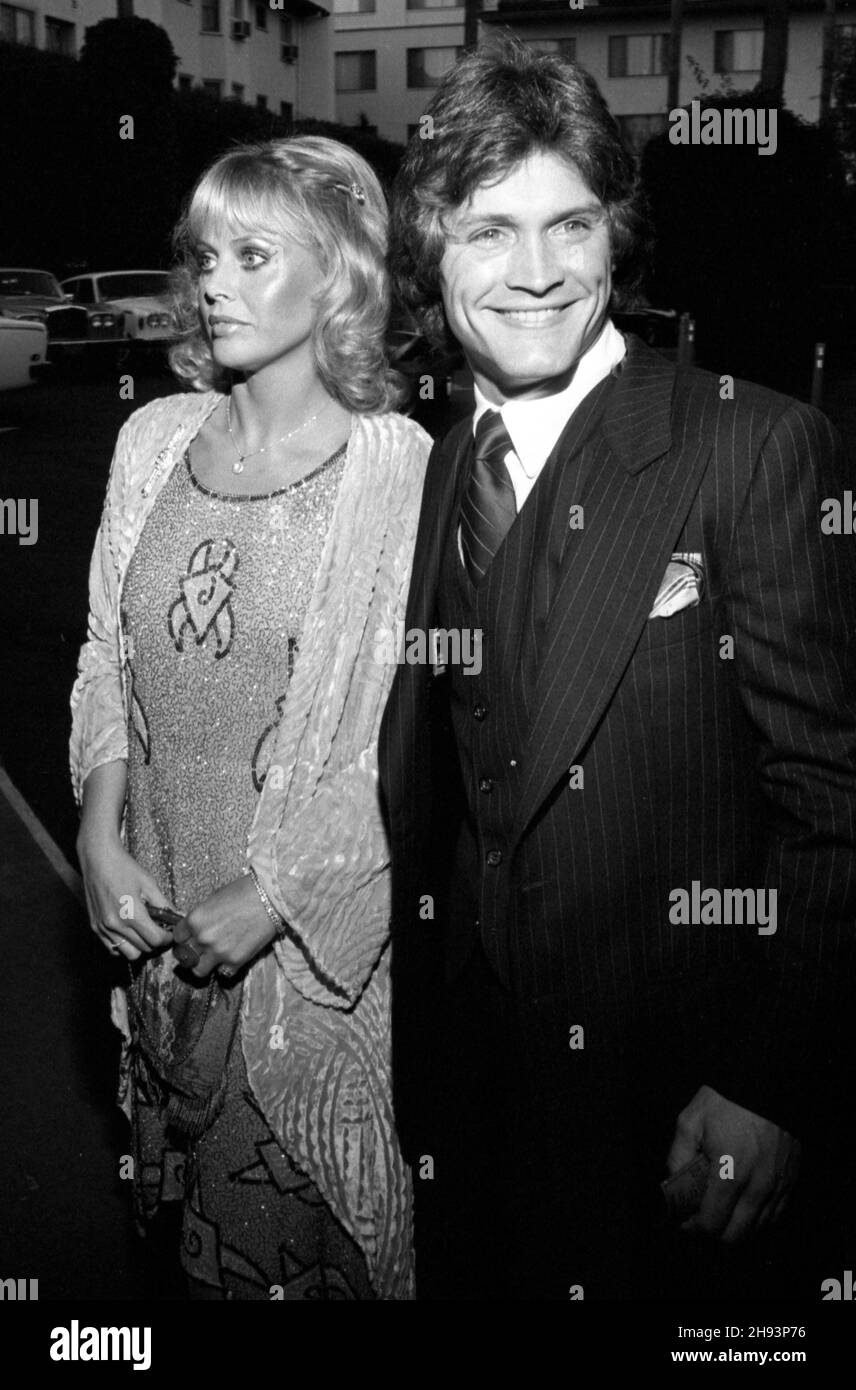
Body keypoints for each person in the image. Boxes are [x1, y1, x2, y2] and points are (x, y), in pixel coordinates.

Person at [379, 39, 856, 1300]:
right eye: (489, 231)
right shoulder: (433, 466)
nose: (535, 273)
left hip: (675, 1113)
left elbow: (832, 801)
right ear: (433, 250)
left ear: (615, 233)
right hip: (469, 1102)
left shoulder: (752, 447)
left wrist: (770, 1080)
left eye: (569, 223)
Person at [70, 135, 431, 1300]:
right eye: (206, 253)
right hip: (154, 943)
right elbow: (102, 658)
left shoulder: (403, 471)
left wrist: (275, 899)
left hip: (301, 984)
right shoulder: (153, 440)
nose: (211, 280)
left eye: (252, 252)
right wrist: (95, 832)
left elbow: (404, 746)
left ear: (337, 277)